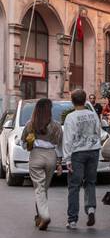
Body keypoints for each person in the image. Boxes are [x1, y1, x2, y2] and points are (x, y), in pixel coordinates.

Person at [62, 87, 103, 229]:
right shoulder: (93, 115)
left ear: (72, 102)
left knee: (74, 186)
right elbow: (98, 132)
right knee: (90, 182)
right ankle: (91, 208)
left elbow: (68, 139)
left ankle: (72, 220)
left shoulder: (71, 117)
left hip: (77, 154)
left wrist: (67, 159)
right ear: (85, 100)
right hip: (93, 151)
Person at [23, 96, 62, 230]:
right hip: (51, 157)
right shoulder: (56, 126)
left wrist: (30, 143)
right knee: (44, 189)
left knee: (39, 189)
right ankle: (39, 216)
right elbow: (59, 146)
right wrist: (59, 163)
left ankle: (44, 216)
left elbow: (23, 144)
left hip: (36, 156)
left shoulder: (31, 124)